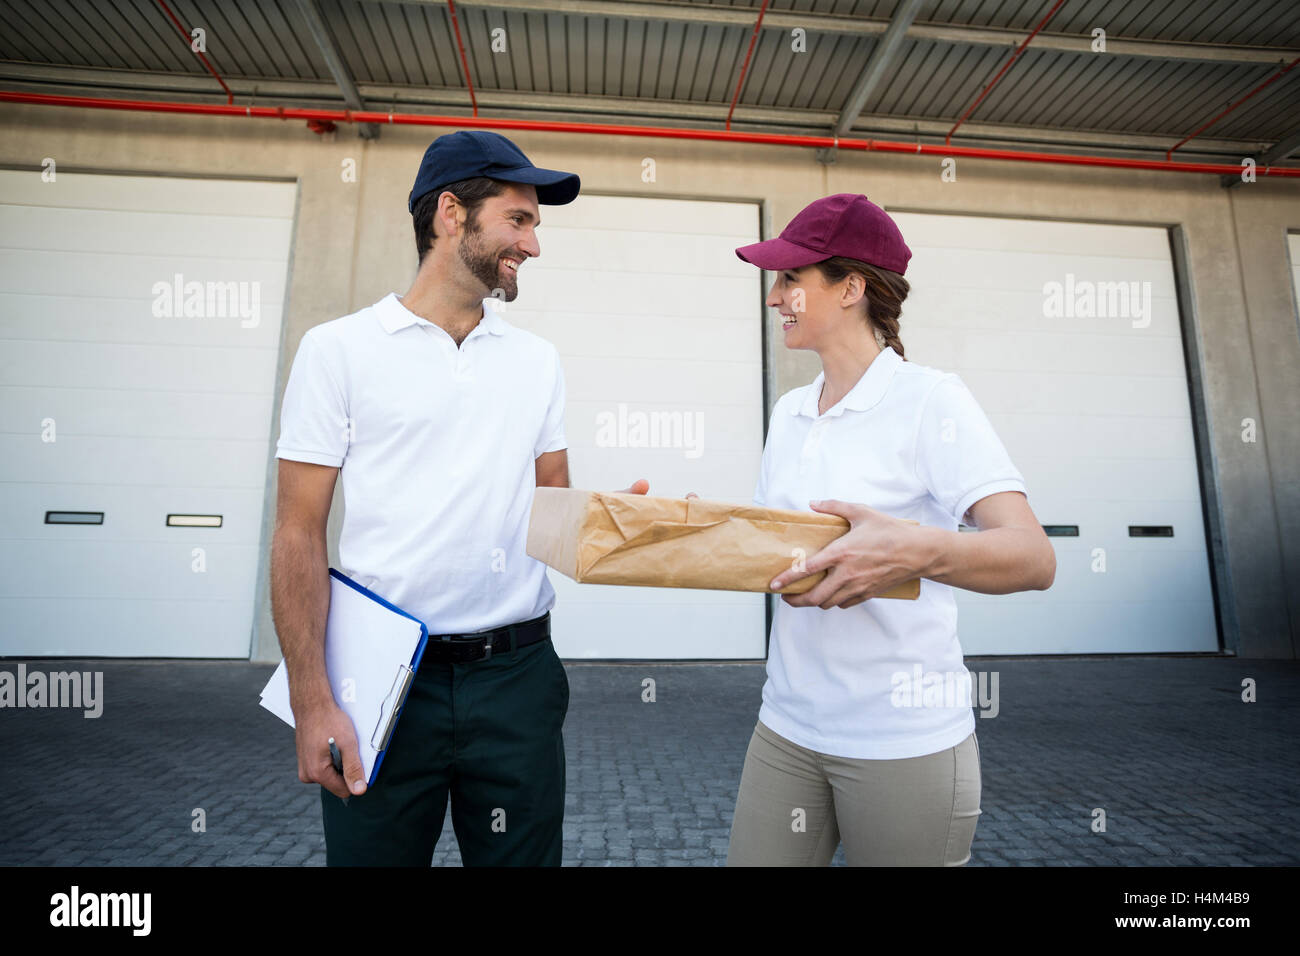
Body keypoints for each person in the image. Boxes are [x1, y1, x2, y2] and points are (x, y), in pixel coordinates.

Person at [270, 130, 646, 866]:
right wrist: (312, 698)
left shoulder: (537, 362)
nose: (533, 244)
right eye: (520, 219)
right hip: (380, 685)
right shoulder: (338, 352)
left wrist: (632, 523)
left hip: (516, 681)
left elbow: (554, 513)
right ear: (451, 213)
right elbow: (296, 534)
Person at [725, 193, 1056, 866]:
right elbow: (776, 548)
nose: (774, 296)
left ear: (850, 288)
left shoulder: (930, 401)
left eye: (792, 278)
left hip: (903, 741)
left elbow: (1032, 558)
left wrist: (916, 548)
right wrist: (691, 526)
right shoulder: (791, 412)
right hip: (787, 725)